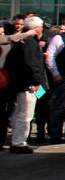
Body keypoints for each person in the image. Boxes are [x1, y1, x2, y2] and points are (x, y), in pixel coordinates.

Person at [4, 15, 49, 154]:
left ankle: (19, 140)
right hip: (28, 86)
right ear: (36, 28)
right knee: (25, 114)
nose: (42, 29)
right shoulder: (30, 42)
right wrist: (35, 83)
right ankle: (19, 142)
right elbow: (31, 65)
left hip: (28, 85)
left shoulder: (26, 42)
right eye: (41, 26)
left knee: (25, 113)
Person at [44, 14, 65, 144]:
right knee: (59, 107)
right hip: (63, 78)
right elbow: (49, 57)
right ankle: (54, 134)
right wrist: (56, 74)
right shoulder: (59, 38)